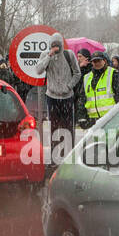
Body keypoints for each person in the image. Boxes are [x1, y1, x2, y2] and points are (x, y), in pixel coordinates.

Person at [33, 35, 81, 163]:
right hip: (52, 96)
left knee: (68, 127)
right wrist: (49, 55)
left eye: (57, 45)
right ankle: (55, 157)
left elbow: (77, 73)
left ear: (61, 45)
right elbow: (38, 70)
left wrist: (69, 86)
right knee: (54, 127)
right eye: (53, 45)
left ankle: (69, 156)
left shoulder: (68, 54)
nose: (55, 48)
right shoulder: (45, 55)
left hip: (67, 96)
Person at [80, 51, 119, 126]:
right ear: (91, 62)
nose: (97, 63)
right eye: (94, 61)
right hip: (93, 120)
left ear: (104, 61)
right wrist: (82, 117)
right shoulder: (86, 77)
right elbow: (82, 98)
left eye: (99, 60)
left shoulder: (113, 74)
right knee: (96, 138)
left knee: (111, 138)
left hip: (110, 118)